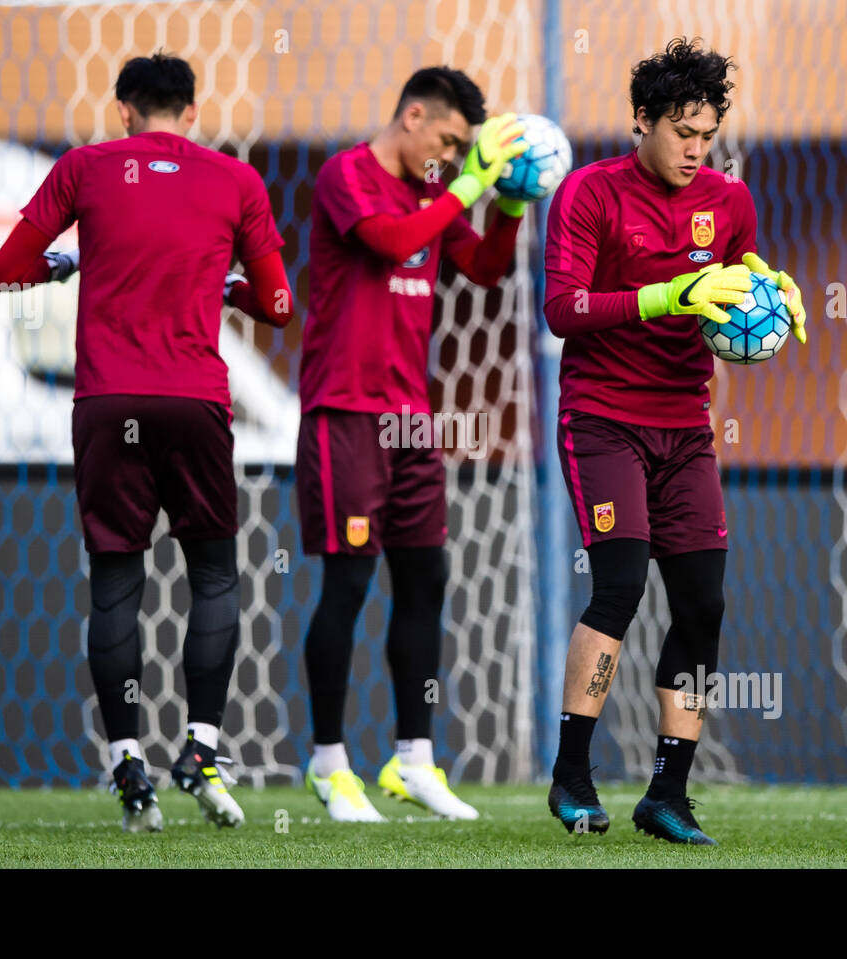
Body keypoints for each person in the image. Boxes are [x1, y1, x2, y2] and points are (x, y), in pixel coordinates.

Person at [0, 52, 294, 832]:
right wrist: (226, 285)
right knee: (216, 576)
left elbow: (5, 268)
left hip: (105, 400)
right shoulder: (236, 181)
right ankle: (200, 745)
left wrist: (64, 264)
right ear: (192, 113)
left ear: (124, 110)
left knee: (117, 584)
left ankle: (128, 760)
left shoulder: (87, 168)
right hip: (193, 401)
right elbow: (280, 305)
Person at [542, 37, 807, 844]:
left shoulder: (730, 201)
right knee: (619, 588)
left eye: (707, 135)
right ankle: (571, 773)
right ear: (642, 122)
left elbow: (733, 275)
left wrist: (768, 286)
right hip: (603, 419)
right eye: (682, 132)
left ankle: (667, 793)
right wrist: (671, 292)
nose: (696, 150)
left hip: (686, 425)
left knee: (703, 604)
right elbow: (563, 309)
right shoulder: (590, 194)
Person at [295, 66, 528, 821]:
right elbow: (392, 244)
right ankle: (330, 764)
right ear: (414, 116)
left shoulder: (436, 191)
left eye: (467, 150)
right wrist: (468, 189)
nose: (459, 159)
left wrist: (512, 204)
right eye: (452, 143)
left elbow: (486, 269)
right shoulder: (346, 176)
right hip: (345, 412)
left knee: (426, 581)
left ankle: (413, 761)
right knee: (349, 584)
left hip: (410, 420)